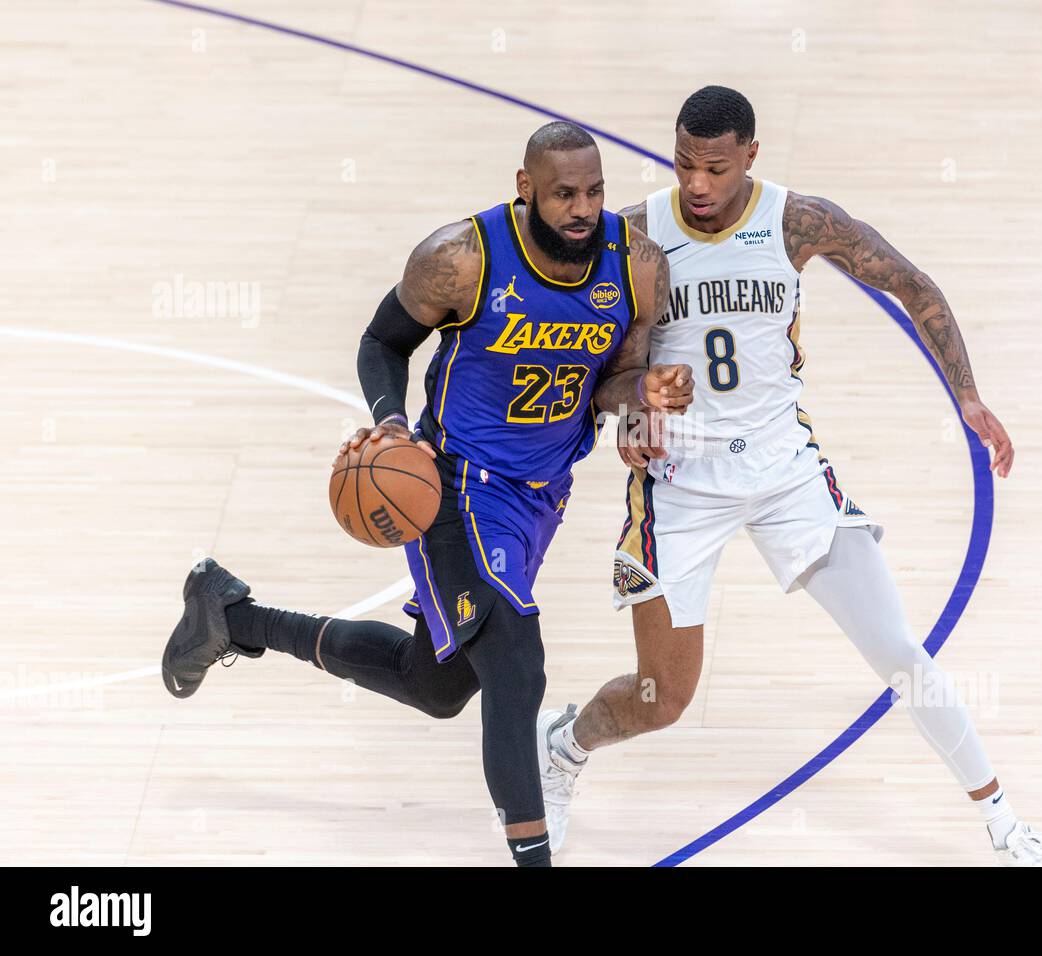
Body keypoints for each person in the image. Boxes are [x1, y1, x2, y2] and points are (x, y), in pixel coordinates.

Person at [538, 88, 1042, 866]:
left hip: (785, 471)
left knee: (898, 651)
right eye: (685, 164)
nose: (697, 184)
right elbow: (612, 360)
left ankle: (1004, 824)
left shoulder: (798, 221)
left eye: (715, 168)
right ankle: (565, 746)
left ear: (750, 157)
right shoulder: (640, 234)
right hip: (681, 485)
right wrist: (634, 415)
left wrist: (967, 394)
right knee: (664, 700)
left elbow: (913, 286)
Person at [160, 121, 689, 867]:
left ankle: (235, 617)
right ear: (525, 188)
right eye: (564, 193)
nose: (582, 208)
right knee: (515, 661)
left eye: (595, 191)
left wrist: (647, 392)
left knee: (435, 685)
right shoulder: (461, 259)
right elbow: (382, 342)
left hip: (541, 497)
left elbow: (612, 381)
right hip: (455, 487)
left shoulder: (634, 266)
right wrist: (392, 426)